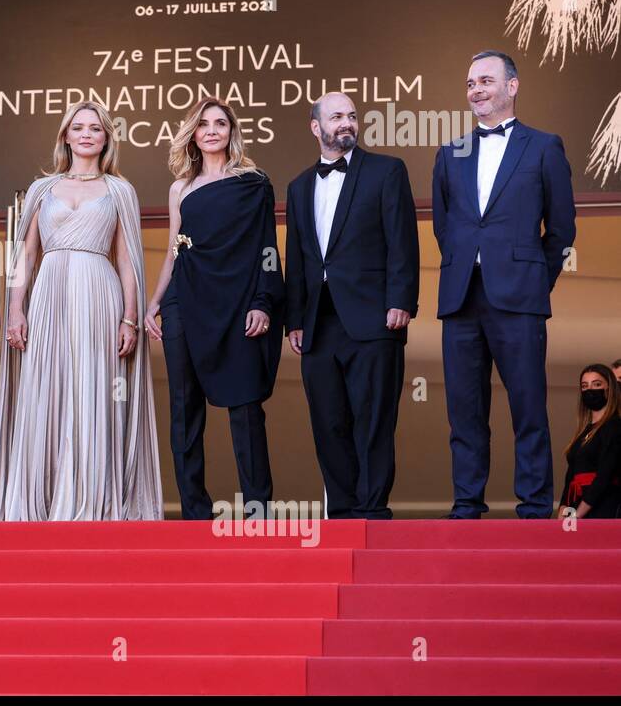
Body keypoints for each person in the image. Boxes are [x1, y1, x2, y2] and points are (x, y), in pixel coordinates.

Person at [0, 101, 160, 521]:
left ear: (107, 137)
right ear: (65, 135)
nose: (86, 134)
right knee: (46, 387)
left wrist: (129, 317)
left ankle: (93, 502)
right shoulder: (41, 190)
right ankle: (38, 502)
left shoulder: (120, 190)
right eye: (78, 127)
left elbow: (128, 260)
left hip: (99, 293)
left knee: (94, 389)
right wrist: (14, 310)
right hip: (47, 294)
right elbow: (25, 257)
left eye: (96, 128)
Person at [433, 51, 576, 518]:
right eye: (470, 82)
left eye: (486, 80)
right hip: (461, 297)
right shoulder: (448, 152)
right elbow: (444, 226)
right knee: (464, 412)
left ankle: (534, 505)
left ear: (512, 86)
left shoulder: (544, 145)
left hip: (520, 297)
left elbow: (561, 230)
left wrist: (535, 279)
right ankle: (467, 504)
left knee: (528, 406)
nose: (476, 89)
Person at [144, 98, 283, 520]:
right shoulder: (179, 188)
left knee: (245, 404)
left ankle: (257, 510)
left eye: (220, 123)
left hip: (238, 300)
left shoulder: (254, 182)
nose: (211, 130)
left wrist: (263, 301)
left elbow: (267, 248)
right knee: (184, 406)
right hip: (183, 298)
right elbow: (173, 249)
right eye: (202, 124)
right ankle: (195, 511)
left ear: (231, 131)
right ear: (192, 133)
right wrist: (153, 301)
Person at [284, 93, 420, 519]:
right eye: (337, 116)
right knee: (328, 422)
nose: (347, 122)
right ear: (314, 127)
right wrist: (295, 319)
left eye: (352, 116)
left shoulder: (387, 170)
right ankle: (342, 513)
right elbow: (299, 258)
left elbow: (403, 242)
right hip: (318, 324)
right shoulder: (299, 185)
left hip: (375, 318)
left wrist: (401, 300)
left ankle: (372, 511)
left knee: (374, 419)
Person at [558, 364, 621, 519]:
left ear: (609, 389)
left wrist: (578, 514)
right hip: (576, 505)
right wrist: (563, 509)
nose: (590, 390)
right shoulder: (583, 432)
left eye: (597, 384)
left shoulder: (615, 427)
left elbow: (604, 476)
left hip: (602, 506)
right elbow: (570, 478)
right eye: (584, 386)